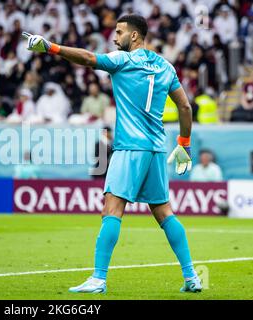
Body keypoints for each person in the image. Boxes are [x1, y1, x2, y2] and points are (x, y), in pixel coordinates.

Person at [23, 14, 202, 294]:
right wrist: (185, 144)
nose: (114, 37)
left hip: (130, 148)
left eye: (119, 32)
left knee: (111, 209)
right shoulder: (166, 67)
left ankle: (98, 278)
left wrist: (50, 47)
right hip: (156, 148)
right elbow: (186, 108)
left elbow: (87, 58)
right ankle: (192, 277)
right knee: (164, 212)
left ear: (134, 36)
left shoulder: (123, 61)